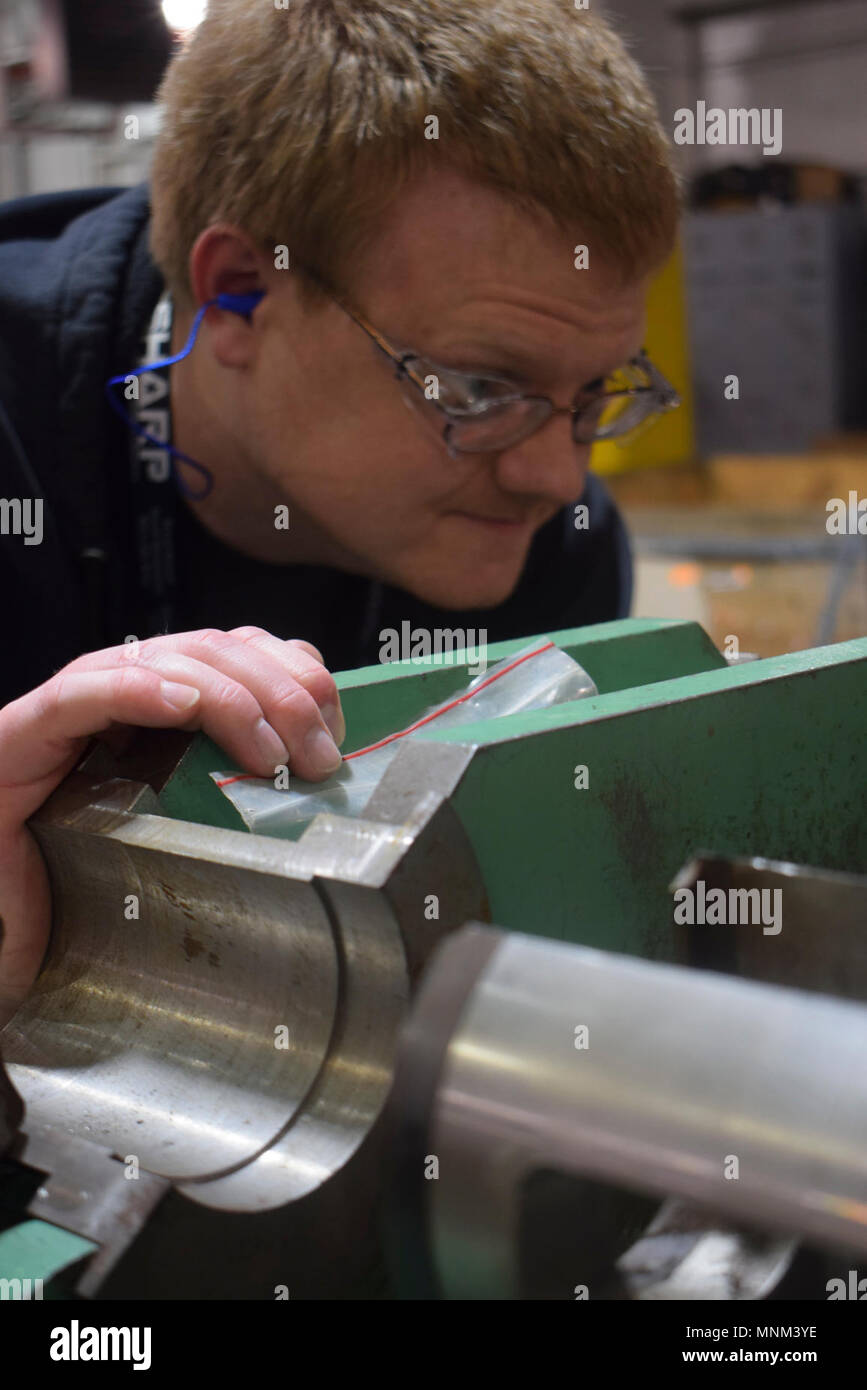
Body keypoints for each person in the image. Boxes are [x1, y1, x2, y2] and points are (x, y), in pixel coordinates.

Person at [0, 0, 680, 1022]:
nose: (554, 477)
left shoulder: (551, 550)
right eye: (479, 390)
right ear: (238, 294)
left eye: (594, 393)